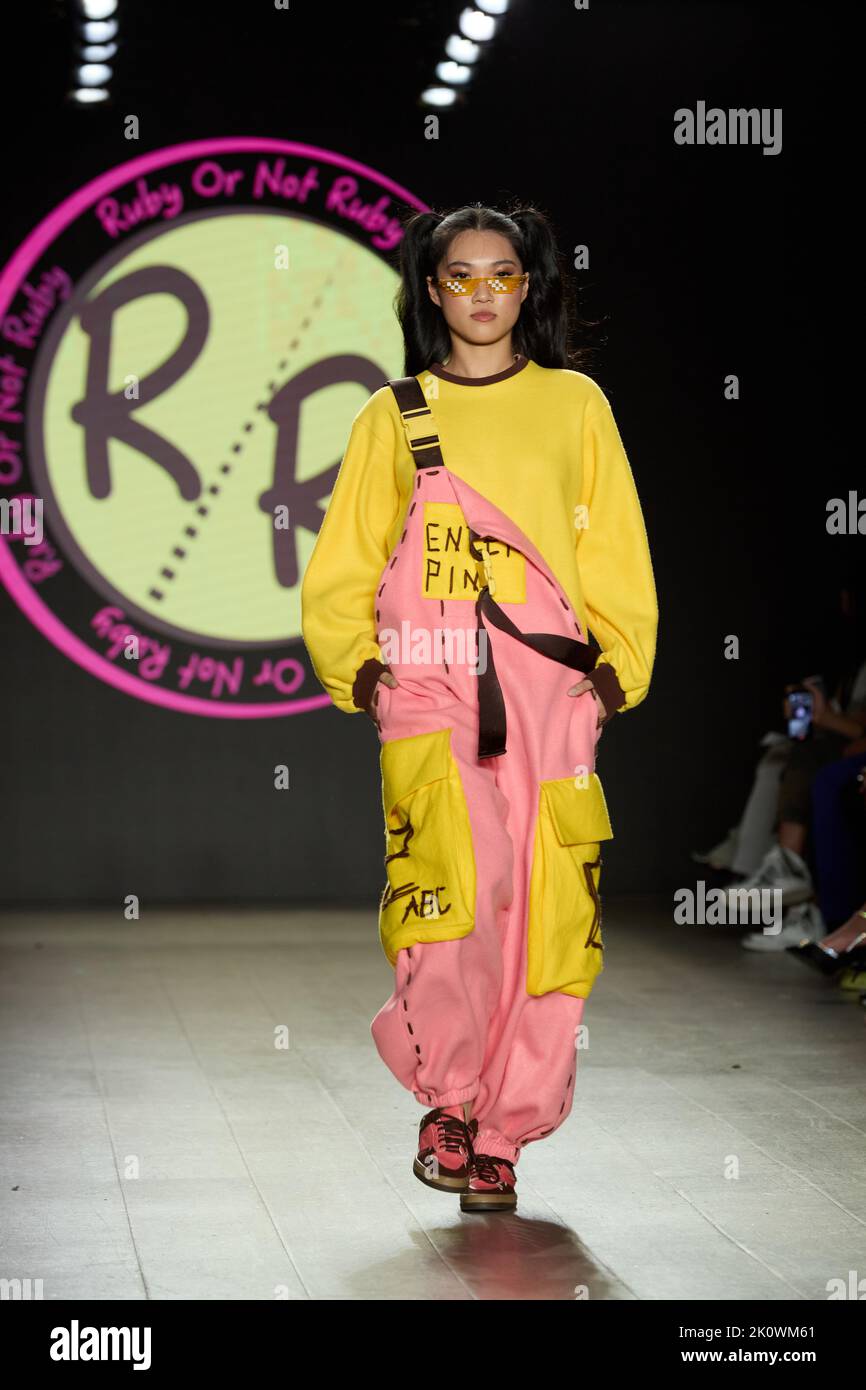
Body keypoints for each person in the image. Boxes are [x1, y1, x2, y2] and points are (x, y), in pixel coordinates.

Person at [301, 204, 658, 1212]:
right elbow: (345, 560)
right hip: (428, 686)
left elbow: (612, 545)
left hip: (548, 696)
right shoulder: (395, 414)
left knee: (548, 912)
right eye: (460, 276)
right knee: (450, 897)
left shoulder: (574, 403)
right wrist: (361, 669)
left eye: (503, 275)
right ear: (430, 290)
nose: (483, 294)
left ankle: (506, 1130)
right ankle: (450, 1103)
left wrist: (612, 668)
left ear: (530, 287)